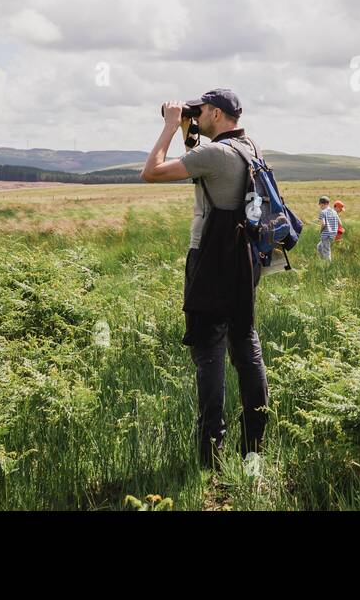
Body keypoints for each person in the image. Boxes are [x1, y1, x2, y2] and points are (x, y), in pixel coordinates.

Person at [140, 88, 268, 470]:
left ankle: (211, 456)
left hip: (209, 261)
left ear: (214, 112)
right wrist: (189, 131)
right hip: (242, 260)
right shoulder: (250, 148)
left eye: (202, 110)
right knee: (245, 345)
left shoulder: (213, 154)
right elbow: (207, 174)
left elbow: (151, 172)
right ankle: (253, 450)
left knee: (209, 353)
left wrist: (167, 127)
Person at [316, 195, 339, 261]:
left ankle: (328, 265)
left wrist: (320, 231)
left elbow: (323, 224)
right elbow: (339, 222)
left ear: (322, 204)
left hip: (326, 235)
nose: (320, 206)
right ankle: (322, 261)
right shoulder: (334, 212)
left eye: (320, 205)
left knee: (326, 251)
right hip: (333, 234)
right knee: (319, 247)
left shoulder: (323, 212)